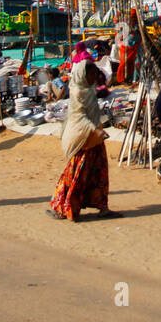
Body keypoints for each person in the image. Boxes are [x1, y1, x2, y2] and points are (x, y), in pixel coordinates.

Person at [48, 60, 120, 222]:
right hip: (83, 139)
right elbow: (79, 116)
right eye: (91, 74)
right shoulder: (77, 92)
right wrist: (94, 130)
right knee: (77, 175)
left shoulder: (90, 90)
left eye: (95, 74)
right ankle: (64, 207)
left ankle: (103, 207)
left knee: (99, 174)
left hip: (95, 138)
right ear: (83, 75)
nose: (94, 77)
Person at [116, 10, 140, 85]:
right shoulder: (125, 24)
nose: (133, 19)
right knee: (123, 64)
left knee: (132, 64)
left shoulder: (138, 24)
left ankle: (131, 79)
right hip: (125, 47)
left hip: (134, 47)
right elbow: (119, 35)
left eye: (134, 17)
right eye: (132, 17)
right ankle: (121, 80)